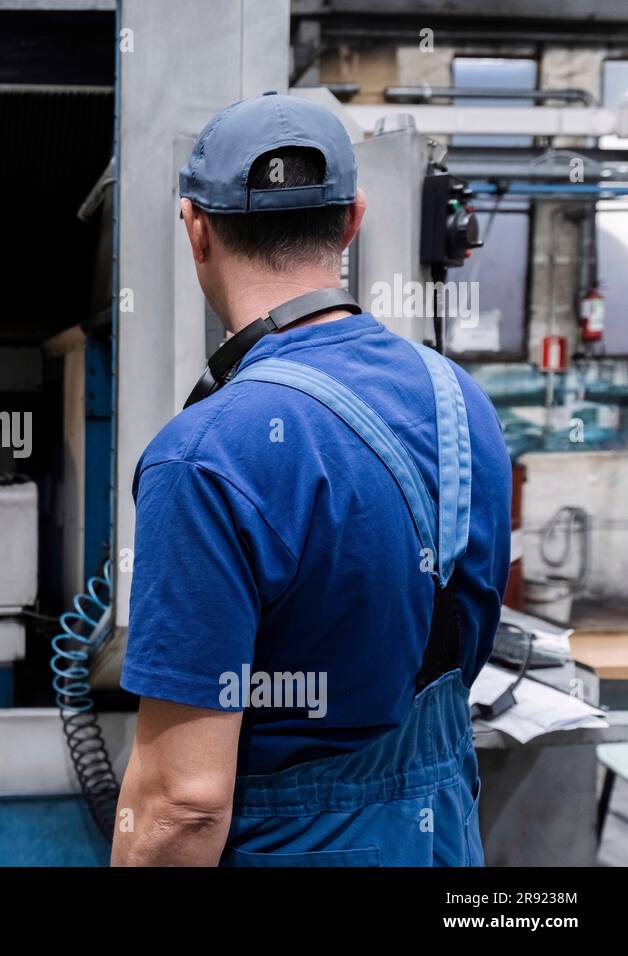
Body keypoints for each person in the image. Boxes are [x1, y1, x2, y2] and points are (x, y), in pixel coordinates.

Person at [111, 92, 511, 866]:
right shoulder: (463, 402)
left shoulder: (202, 457)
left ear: (196, 228)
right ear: (353, 219)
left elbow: (184, 804)